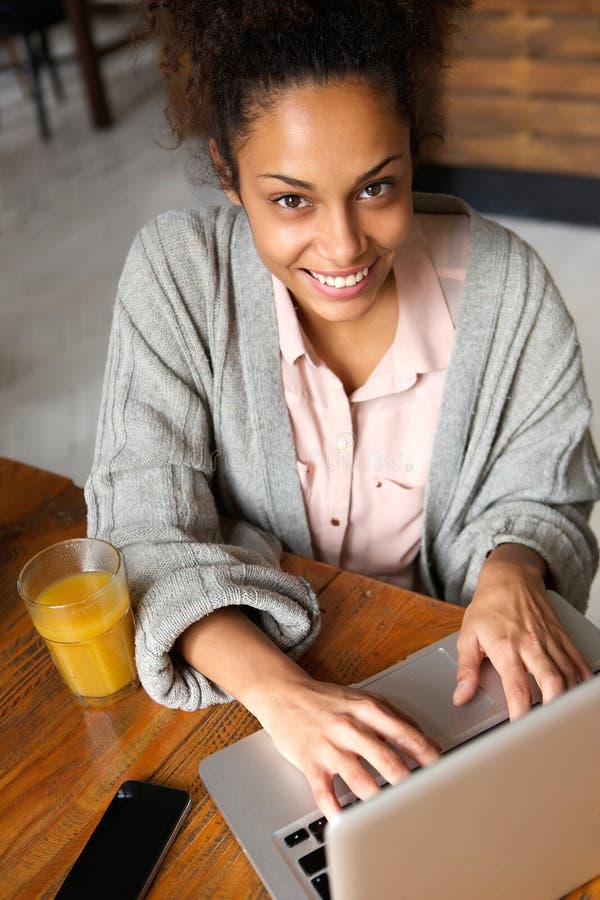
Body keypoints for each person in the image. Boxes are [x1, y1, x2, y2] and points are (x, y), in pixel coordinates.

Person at [86, 0, 600, 821]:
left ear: (414, 150)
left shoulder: (508, 290)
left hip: (447, 683)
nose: (343, 246)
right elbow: (141, 536)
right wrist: (285, 697)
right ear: (227, 171)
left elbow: (548, 491)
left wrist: (512, 567)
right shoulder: (178, 277)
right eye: (292, 200)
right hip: (249, 693)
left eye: (376, 187)